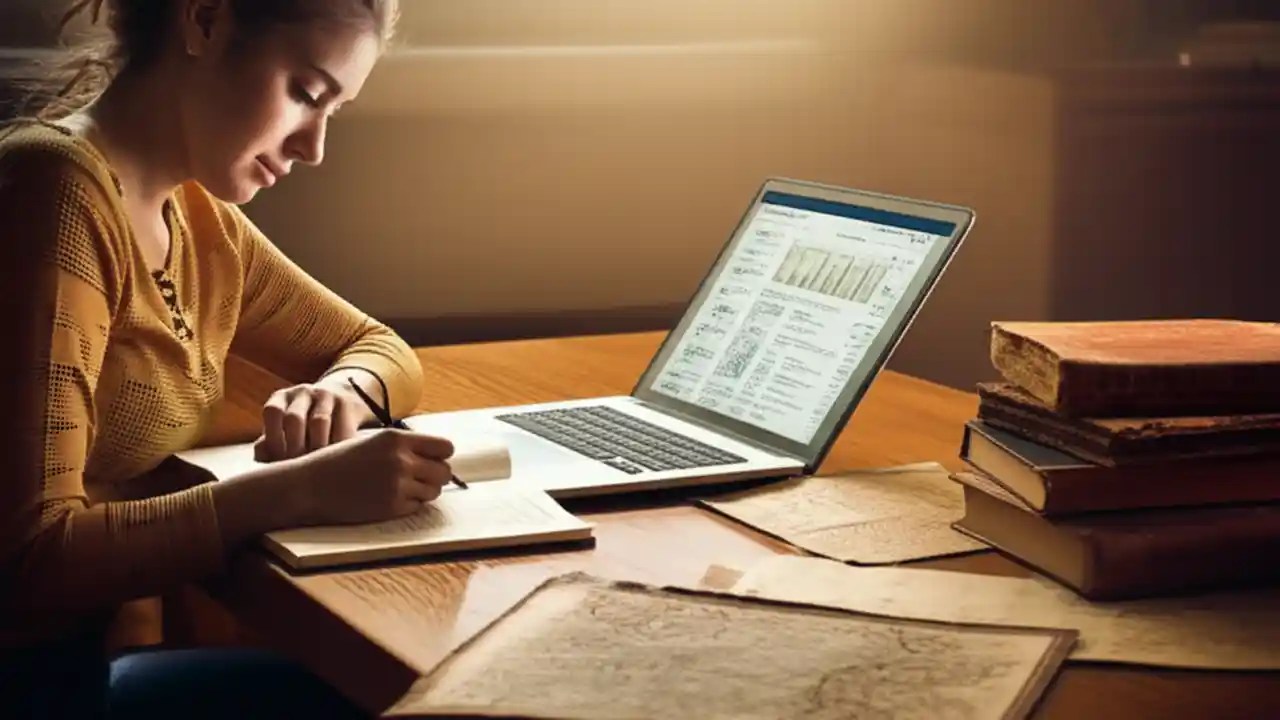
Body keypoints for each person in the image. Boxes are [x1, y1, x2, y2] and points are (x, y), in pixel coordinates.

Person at [0, 0, 457, 717]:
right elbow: (29, 563)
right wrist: (299, 489)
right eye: (306, 94)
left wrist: (343, 391)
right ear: (205, 21)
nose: (315, 146)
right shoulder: (52, 193)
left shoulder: (199, 220)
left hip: (78, 674)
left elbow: (378, 348)